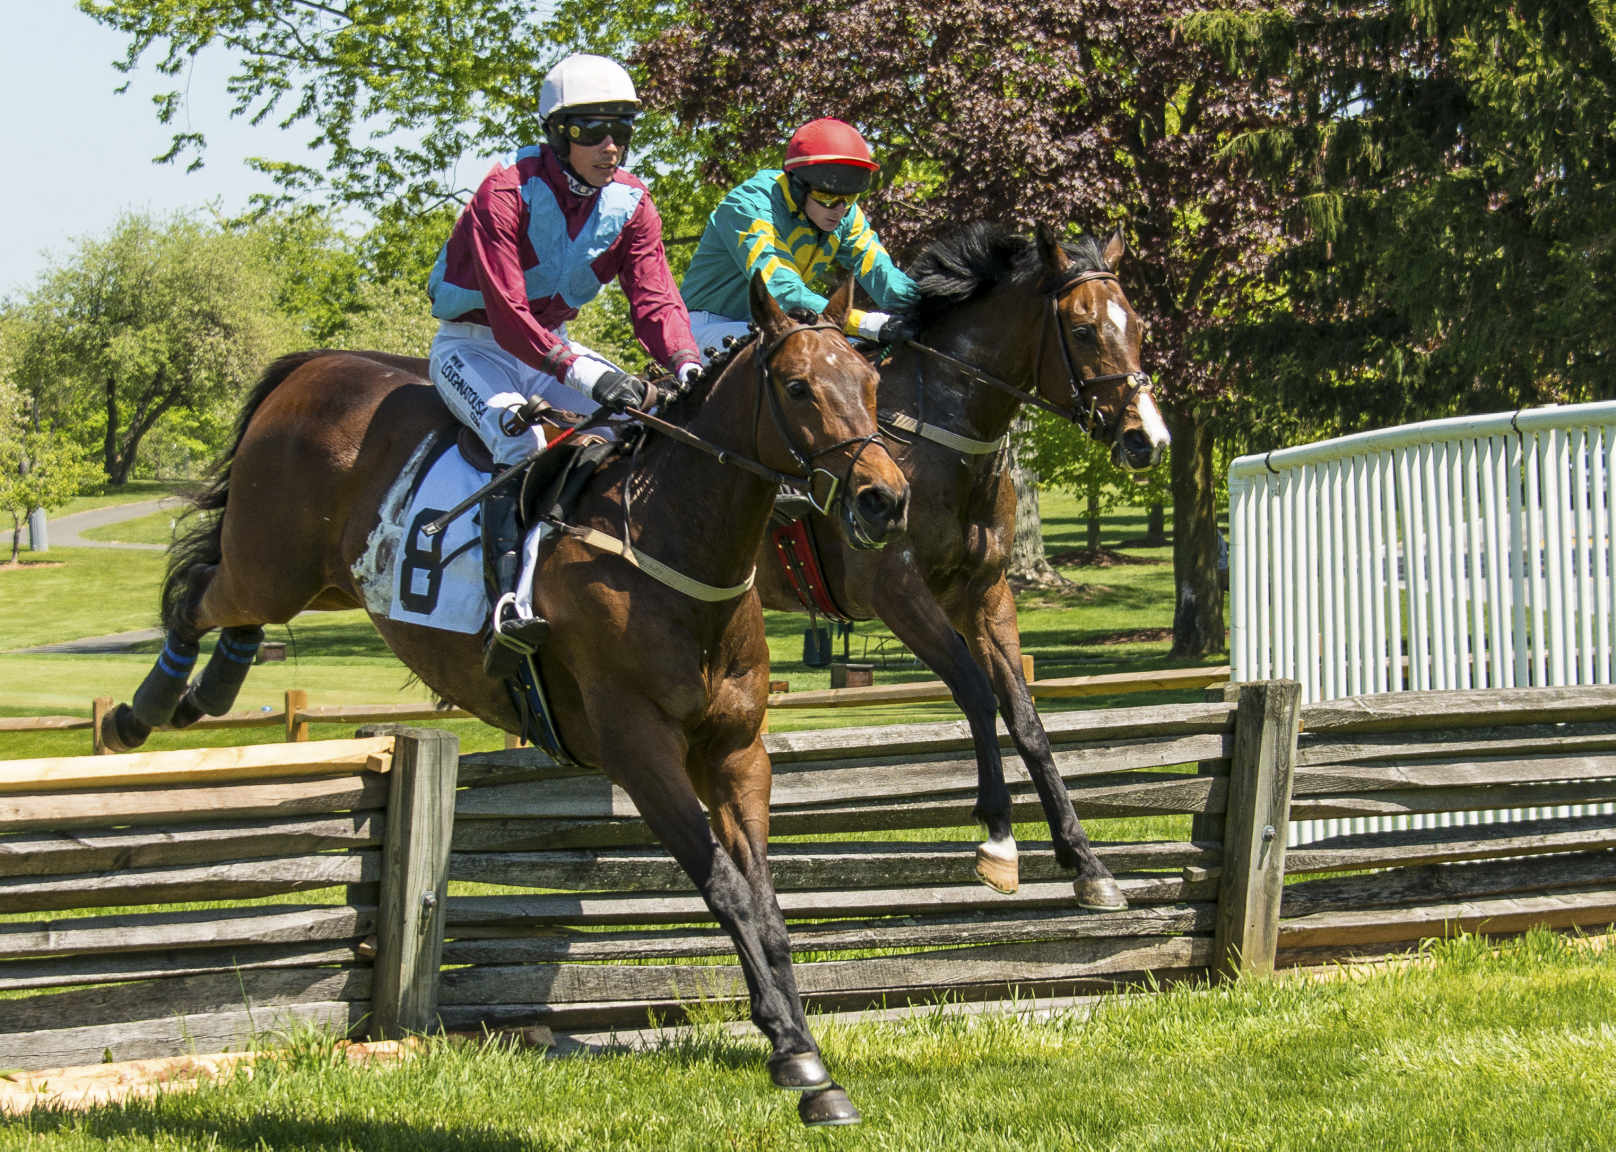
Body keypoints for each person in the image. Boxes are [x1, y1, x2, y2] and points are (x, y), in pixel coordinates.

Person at [426, 53, 702, 675]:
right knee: (518, 441)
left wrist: (687, 363)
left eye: (622, 132)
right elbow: (505, 312)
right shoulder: (504, 190)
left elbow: (655, 299)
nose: (611, 147)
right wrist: (577, 369)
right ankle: (507, 605)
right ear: (558, 133)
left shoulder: (634, 203)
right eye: (592, 131)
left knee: (646, 426)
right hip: (474, 347)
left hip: (549, 348)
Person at [681, 118, 919, 359]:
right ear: (798, 185)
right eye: (826, 196)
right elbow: (782, 291)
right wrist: (866, 323)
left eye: (850, 198)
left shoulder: (846, 214)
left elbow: (881, 272)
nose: (839, 209)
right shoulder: (747, 207)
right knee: (810, 352)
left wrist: (928, 305)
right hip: (705, 325)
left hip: (776, 325)